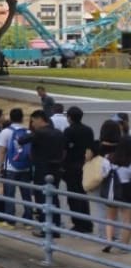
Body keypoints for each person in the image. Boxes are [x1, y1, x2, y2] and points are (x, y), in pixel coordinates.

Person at [18, 109, 67, 237]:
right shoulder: (58, 133)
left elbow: (21, 140)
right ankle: (55, 227)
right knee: (54, 198)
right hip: (56, 169)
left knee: (42, 199)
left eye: (33, 121)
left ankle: (46, 228)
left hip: (42, 169)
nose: (33, 124)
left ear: (39, 119)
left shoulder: (39, 133)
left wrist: (30, 132)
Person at [0, 108, 34, 227]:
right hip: (25, 167)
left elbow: (2, 150)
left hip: (11, 167)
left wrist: (0, 165)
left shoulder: (6, 132)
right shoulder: (28, 132)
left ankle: (10, 220)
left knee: (9, 194)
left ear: (10, 118)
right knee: (26, 195)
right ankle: (28, 220)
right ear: (22, 118)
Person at [61, 106, 95, 234]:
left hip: (71, 167)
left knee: (73, 196)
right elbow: (90, 148)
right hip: (84, 165)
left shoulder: (69, 131)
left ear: (69, 117)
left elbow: (64, 150)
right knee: (83, 195)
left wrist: (61, 164)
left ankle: (78, 224)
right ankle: (87, 223)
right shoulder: (88, 130)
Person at [98, 135, 131, 254]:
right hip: (127, 190)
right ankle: (124, 246)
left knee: (110, 217)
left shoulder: (108, 158)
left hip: (112, 190)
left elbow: (103, 174)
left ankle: (109, 241)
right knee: (127, 220)